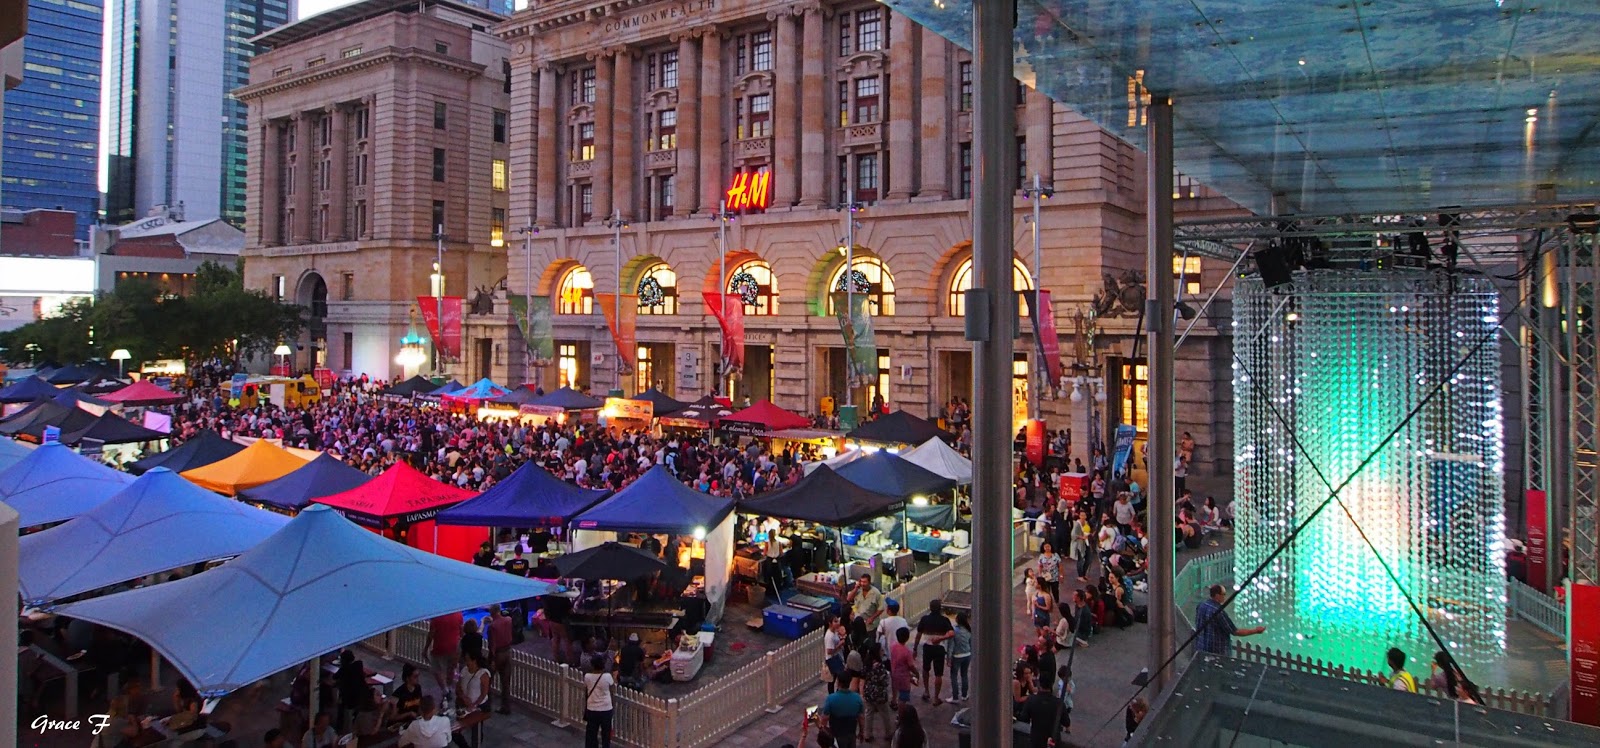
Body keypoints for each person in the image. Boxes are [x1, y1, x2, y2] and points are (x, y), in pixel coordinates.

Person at [1194, 584, 1265, 655]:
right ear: (1217, 596)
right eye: (1223, 594)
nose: (1225, 597)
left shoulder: (1201, 605)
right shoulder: (1218, 612)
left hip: (1202, 648)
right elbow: (1235, 631)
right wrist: (1255, 631)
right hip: (1217, 651)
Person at [912, 599, 954, 705]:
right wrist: (940, 639)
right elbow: (951, 633)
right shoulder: (944, 620)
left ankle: (926, 691)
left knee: (926, 669)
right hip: (939, 648)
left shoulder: (925, 619)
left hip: (927, 647)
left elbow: (918, 635)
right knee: (938, 674)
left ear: (930, 608)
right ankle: (936, 697)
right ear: (940, 608)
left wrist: (915, 648)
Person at [819, 674, 865, 748]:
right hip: (851, 733)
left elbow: (824, 718)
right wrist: (861, 732)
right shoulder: (857, 698)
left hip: (836, 734)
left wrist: (822, 731)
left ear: (838, 683)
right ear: (849, 682)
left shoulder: (831, 699)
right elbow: (861, 718)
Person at [860, 645, 893, 743]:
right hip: (879, 694)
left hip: (869, 693)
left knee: (869, 713)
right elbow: (885, 681)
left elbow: (863, 678)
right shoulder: (880, 666)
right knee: (885, 714)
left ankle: (867, 734)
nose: (883, 651)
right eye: (881, 650)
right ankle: (888, 733)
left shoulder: (867, 664)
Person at [583, 654, 615, 748]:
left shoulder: (587, 677)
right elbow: (612, 691)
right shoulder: (607, 677)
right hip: (606, 709)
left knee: (591, 735)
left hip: (592, 709)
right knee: (606, 735)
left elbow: (586, 692)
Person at [486, 606, 515, 713]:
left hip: (497, 654)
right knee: (505, 682)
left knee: (488, 680)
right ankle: (506, 706)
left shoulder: (492, 627)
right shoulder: (508, 620)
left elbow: (492, 644)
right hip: (507, 651)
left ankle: (487, 705)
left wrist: (492, 659)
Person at [426, 612, 463, 691]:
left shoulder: (436, 617)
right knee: (451, 669)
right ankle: (448, 687)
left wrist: (426, 648)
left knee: (436, 670)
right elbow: (461, 631)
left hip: (439, 647)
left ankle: (444, 689)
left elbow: (431, 634)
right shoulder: (458, 614)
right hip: (453, 648)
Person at [947, 612, 973, 703]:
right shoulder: (969, 630)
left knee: (954, 676)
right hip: (967, 654)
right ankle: (964, 695)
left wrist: (948, 658)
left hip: (957, 656)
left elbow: (951, 646)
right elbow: (971, 644)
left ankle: (955, 697)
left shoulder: (954, 631)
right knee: (964, 675)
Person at [888, 627, 917, 708]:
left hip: (894, 674)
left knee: (896, 689)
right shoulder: (907, 652)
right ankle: (900, 714)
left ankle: (894, 701)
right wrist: (916, 673)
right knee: (903, 697)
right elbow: (911, 666)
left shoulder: (893, 646)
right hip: (904, 678)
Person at [823, 616, 846, 693]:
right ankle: (833, 694)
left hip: (837, 657)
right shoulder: (829, 636)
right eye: (835, 622)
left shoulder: (834, 632)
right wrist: (840, 644)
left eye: (837, 621)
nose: (837, 623)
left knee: (835, 678)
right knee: (833, 679)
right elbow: (829, 651)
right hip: (832, 659)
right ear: (830, 623)